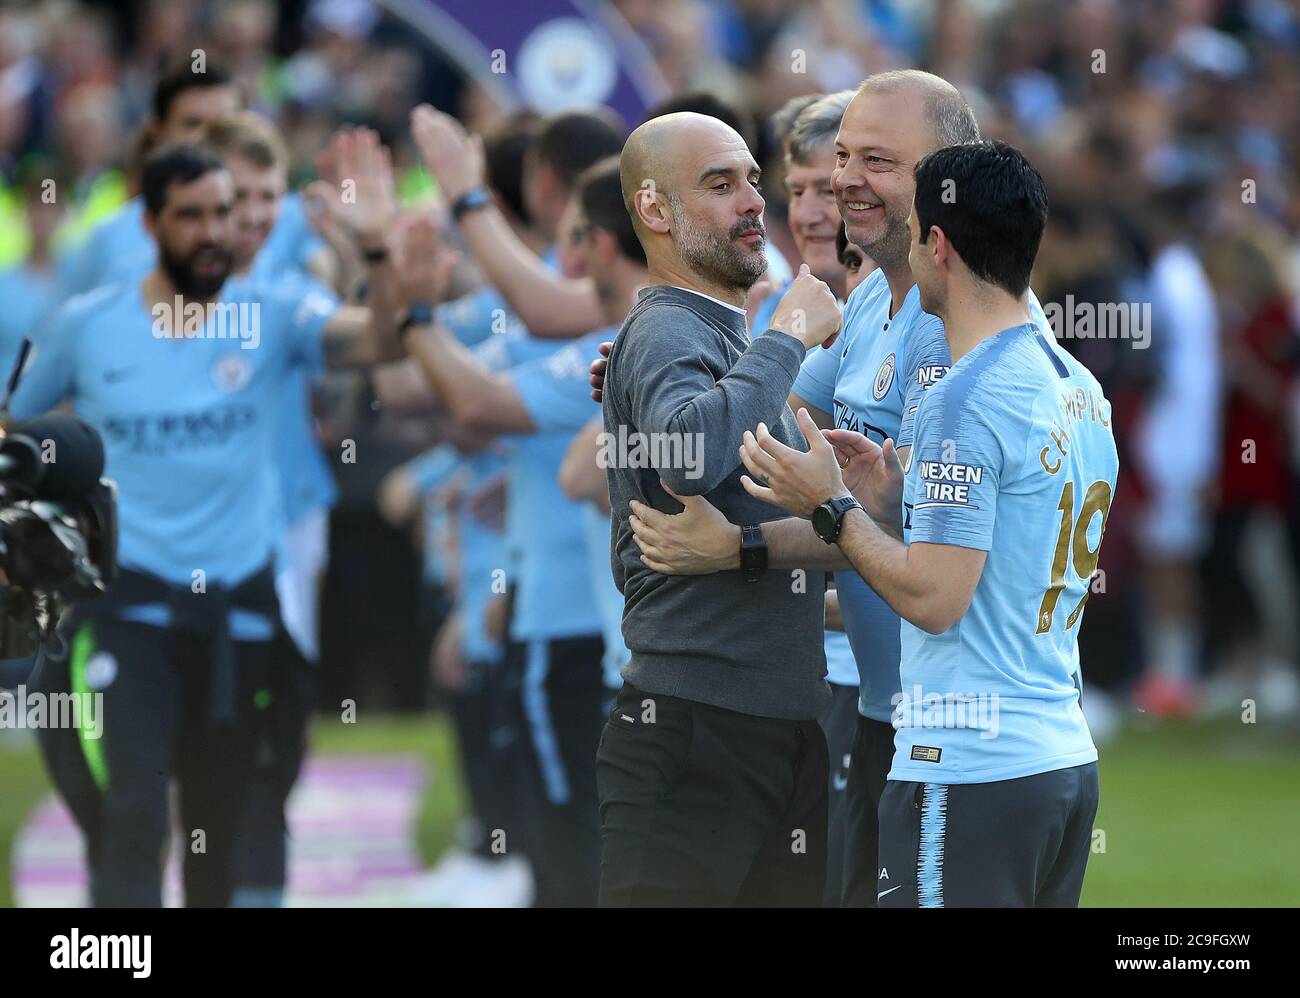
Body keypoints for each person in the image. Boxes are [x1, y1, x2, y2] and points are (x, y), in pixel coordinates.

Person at [16, 136, 405, 907]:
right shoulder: (88, 325)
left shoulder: (275, 312)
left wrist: (374, 247)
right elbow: (12, 426)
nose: (214, 232)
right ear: (150, 222)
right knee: (132, 816)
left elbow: (381, 339)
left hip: (239, 612)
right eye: (191, 215)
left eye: (224, 213)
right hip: (130, 610)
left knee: (216, 834)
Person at [736, 140, 1116, 907]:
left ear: (938, 245)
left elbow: (936, 599)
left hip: (969, 767)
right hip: (1059, 759)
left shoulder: (960, 399)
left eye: (912, 236)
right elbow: (1012, 549)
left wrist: (832, 506)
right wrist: (890, 498)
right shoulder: (1075, 382)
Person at [596, 110, 841, 907]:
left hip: (767, 725)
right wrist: (788, 336)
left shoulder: (704, 335)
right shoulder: (670, 327)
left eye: (752, 181)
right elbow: (686, 455)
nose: (753, 202)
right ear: (654, 209)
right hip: (695, 727)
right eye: (719, 183)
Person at [402, 159, 643, 907]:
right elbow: (434, 401)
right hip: (625, 647)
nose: (562, 262)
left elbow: (557, 460)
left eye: (577, 239)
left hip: (599, 642)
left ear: (602, 244)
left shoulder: (631, 342)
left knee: (578, 862)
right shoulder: (657, 333)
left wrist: (411, 305)